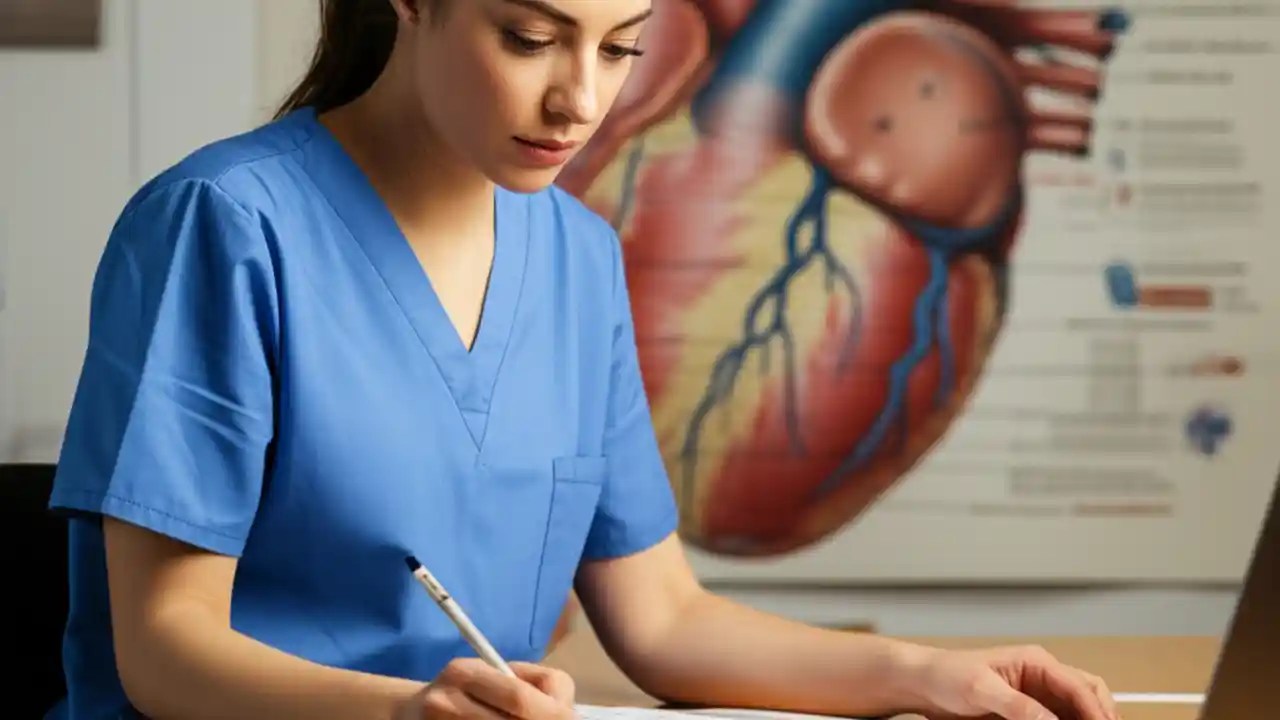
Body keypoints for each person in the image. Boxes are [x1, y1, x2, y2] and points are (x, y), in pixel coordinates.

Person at [46, 1, 1120, 719]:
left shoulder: (577, 253)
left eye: (619, 49)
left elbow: (663, 621)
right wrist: (405, 711)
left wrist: (927, 676)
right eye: (528, 39)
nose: (581, 102)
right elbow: (161, 648)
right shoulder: (222, 225)